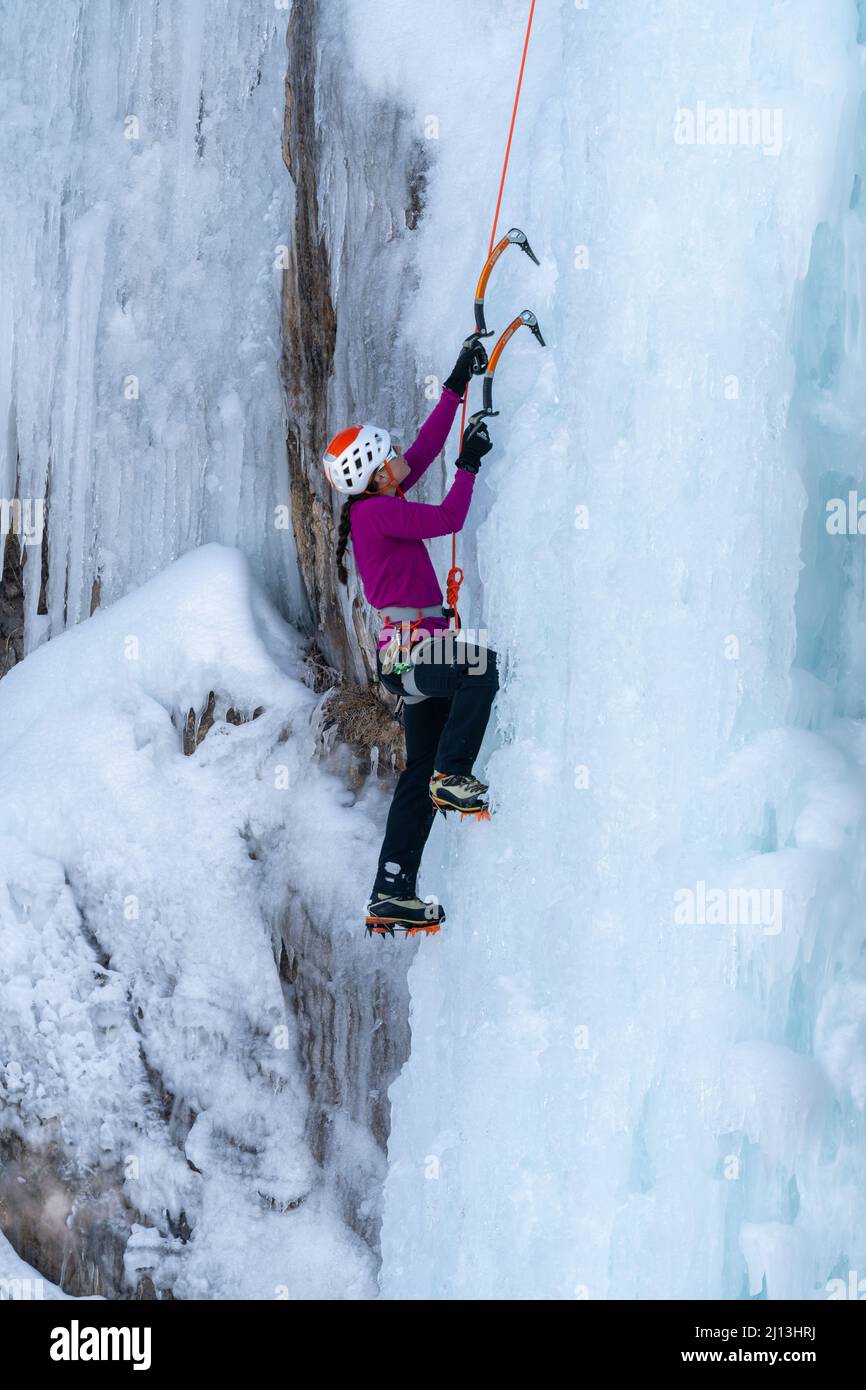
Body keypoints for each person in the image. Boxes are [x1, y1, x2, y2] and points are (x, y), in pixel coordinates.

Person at [323, 341, 500, 936]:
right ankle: (456, 774)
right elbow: (449, 517)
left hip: (410, 657)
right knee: (480, 668)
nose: (401, 456)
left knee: (417, 767)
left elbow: (426, 449)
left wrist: (455, 385)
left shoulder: (378, 505)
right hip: (415, 654)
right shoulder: (377, 514)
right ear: (376, 473)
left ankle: (391, 889)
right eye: (389, 455)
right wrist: (471, 465)